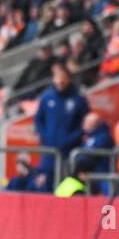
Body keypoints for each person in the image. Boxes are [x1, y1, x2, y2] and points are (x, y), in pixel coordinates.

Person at [32, 62, 88, 192]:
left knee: (65, 187)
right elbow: (38, 120)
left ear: (68, 78)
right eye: (58, 77)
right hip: (49, 152)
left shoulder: (77, 99)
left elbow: (84, 124)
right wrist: (44, 136)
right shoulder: (47, 97)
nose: (60, 81)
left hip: (69, 153)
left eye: (63, 78)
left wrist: (71, 139)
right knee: (46, 184)